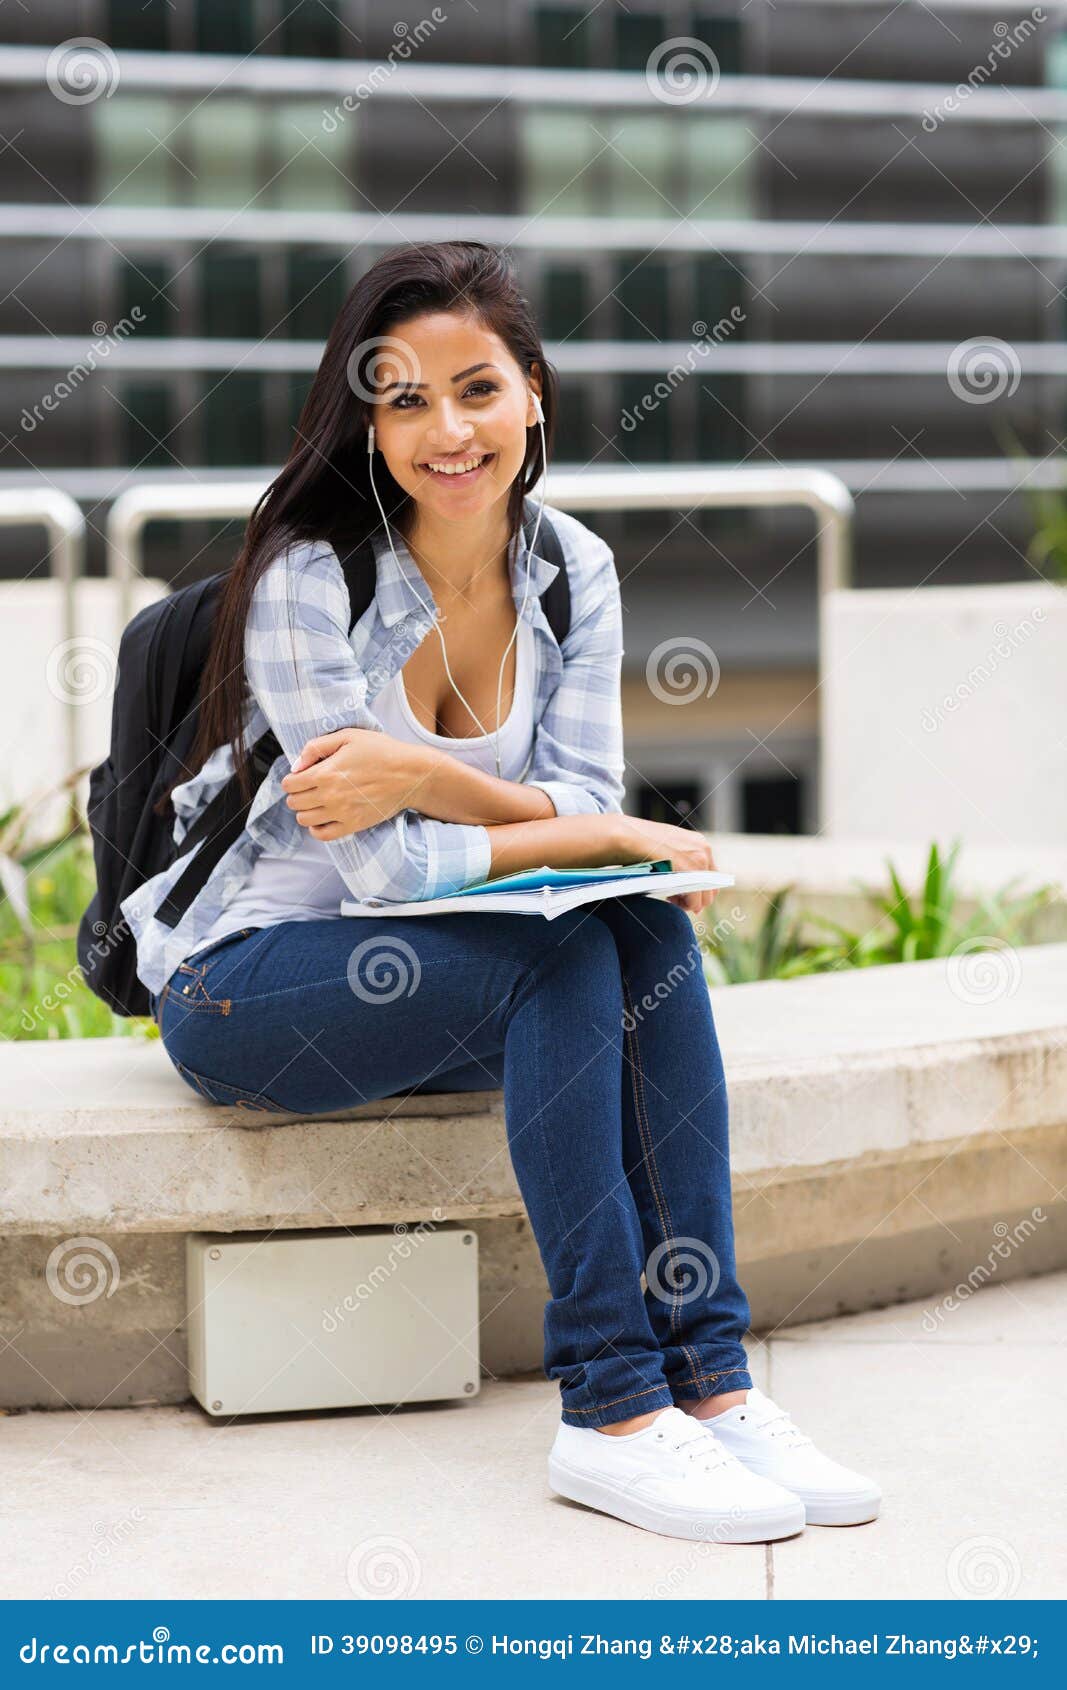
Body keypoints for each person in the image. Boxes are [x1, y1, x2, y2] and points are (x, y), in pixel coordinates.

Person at [124, 240, 880, 1543]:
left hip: (442, 971)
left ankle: (711, 1379)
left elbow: (591, 837)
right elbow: (386, 866)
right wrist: (497, 799)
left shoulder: (572, 568)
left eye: (475, 387)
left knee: (638, 927)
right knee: (561, 949)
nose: (446, 429)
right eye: (402, 398)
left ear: (533, 392)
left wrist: (481, 797)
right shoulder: (314, 580)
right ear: (364, 422)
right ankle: (610, 1406)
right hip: (252, 980)